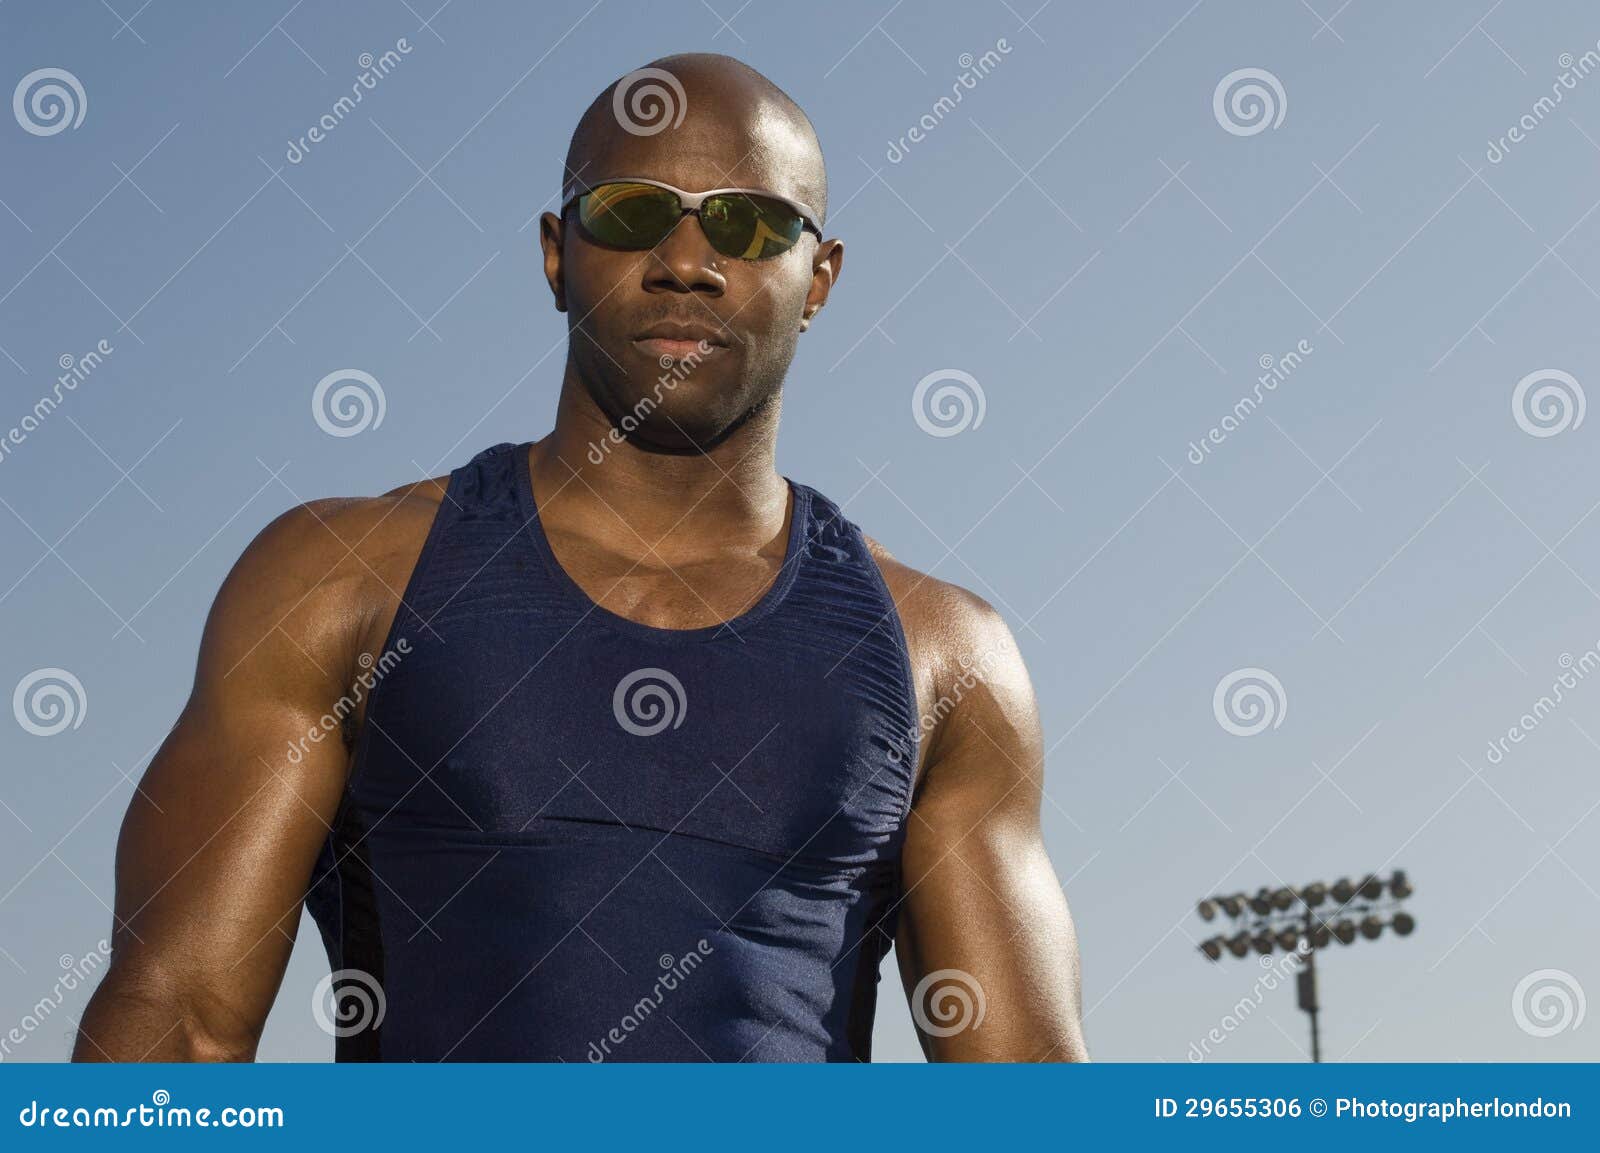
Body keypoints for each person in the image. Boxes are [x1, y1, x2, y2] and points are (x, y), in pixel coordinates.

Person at [73, 52, 1087, 1062]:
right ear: (558, 254)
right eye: (632, 211)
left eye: (748, 223)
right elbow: (177, 1033)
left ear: (817, 278)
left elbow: (1029, 1101)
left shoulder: (942, 655)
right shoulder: (337, 580)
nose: (687, 260)